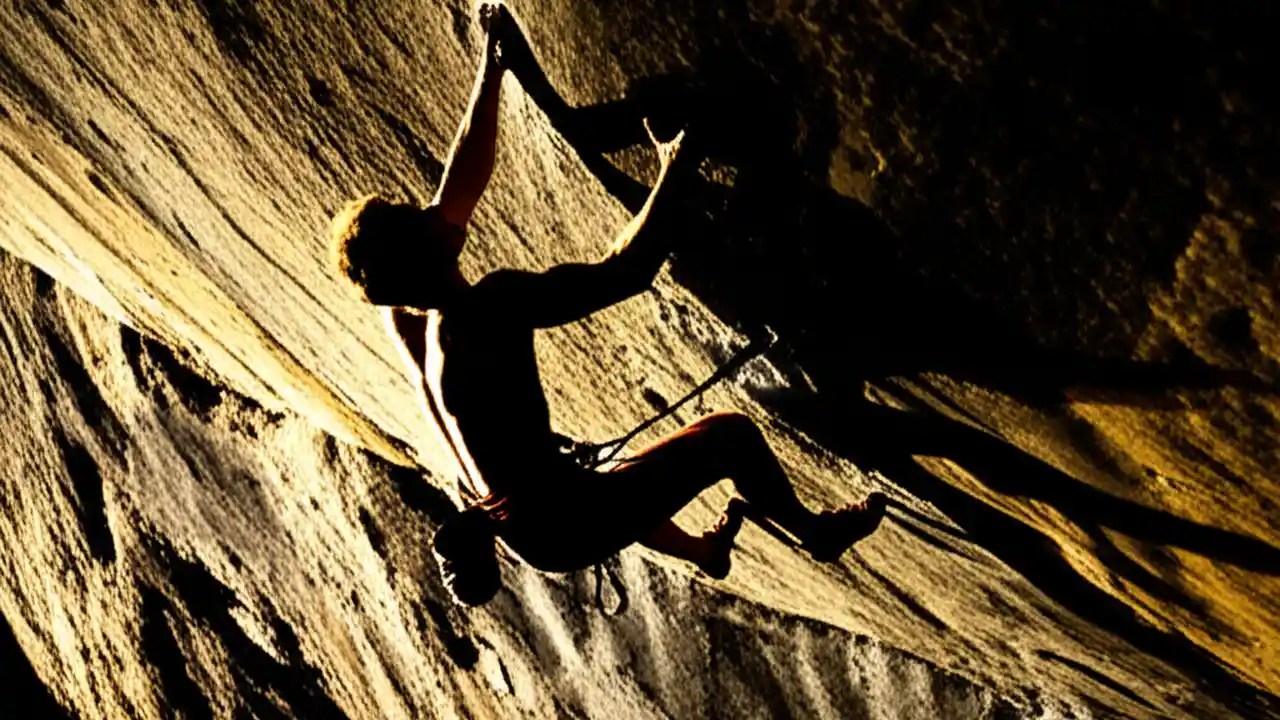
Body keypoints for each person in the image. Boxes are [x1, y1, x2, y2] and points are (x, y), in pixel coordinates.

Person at [328, 3, 886, 607]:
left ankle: (703, 553)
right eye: (418, 217)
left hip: (534, 519)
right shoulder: (488, 309)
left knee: (622, 493)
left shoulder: (416, 323)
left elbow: (460, 183)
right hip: (561, 525)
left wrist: (492, 69)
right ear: (426, 248)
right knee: (731, 440)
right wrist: (675, 164)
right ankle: (816, 535)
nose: (428, 207)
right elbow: (627, 272)